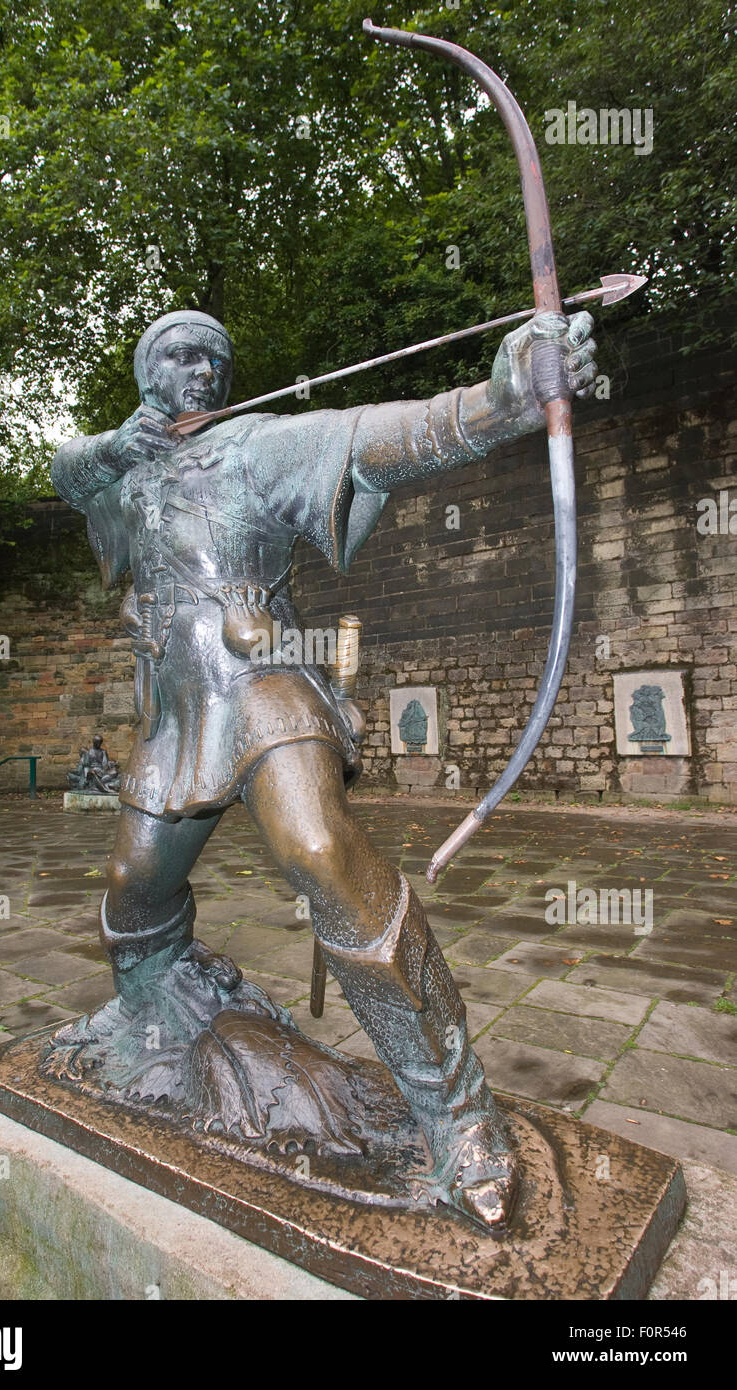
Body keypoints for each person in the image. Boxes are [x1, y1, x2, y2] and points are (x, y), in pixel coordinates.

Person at [49, 305, 597, 1230]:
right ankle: (153, 1011)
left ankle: (460, 1117)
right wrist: (114, 443)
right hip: (179, 707)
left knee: (319, 850)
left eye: (215, 357)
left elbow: (386, 437)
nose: (201, 372)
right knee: (132, 885)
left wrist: (505, 398)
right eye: (179, 356)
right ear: (147, 373)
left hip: (264, 687)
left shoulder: (258, 448)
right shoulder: (123, 469)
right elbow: (68, 473)